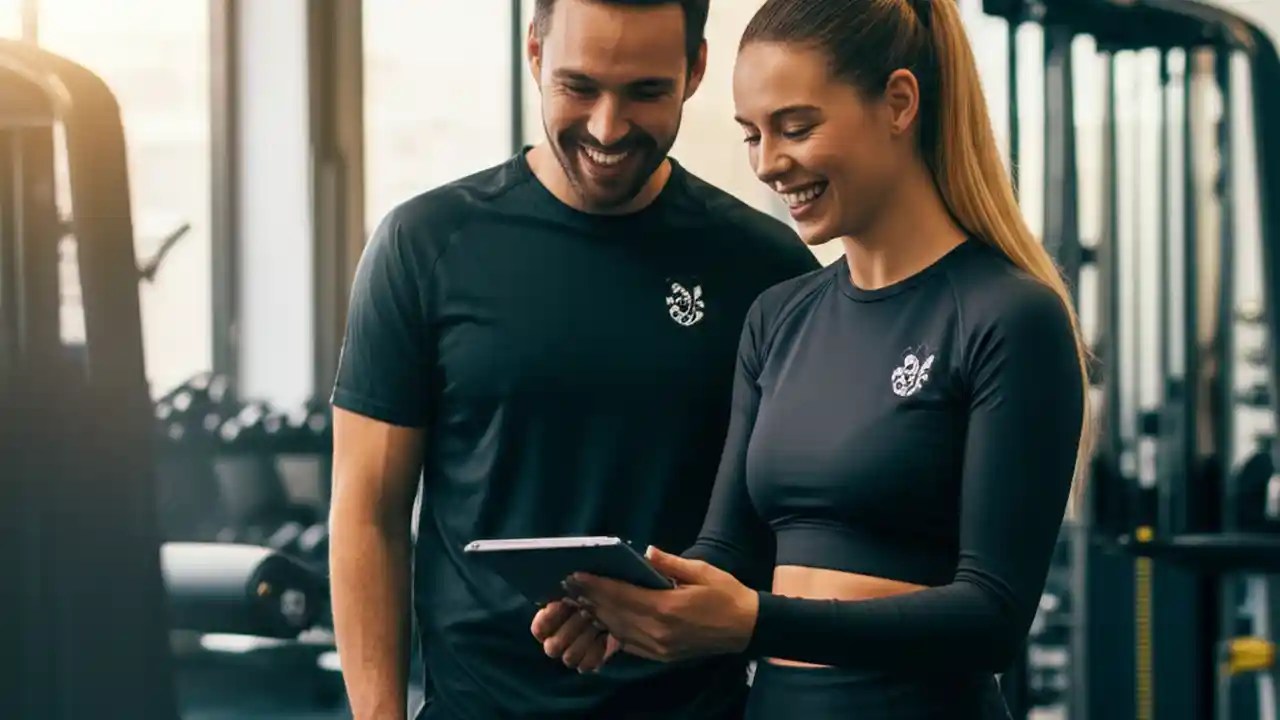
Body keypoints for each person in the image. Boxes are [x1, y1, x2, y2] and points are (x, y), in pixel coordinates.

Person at [532, 0, 1092, 717]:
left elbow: (991, 620)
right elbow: (726, 551)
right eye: (752, 136)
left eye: (796, 128)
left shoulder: (1007, 316)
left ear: (898, 103)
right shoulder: (778, 318)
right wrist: (632, 606)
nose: (769, 164)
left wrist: (756, 621)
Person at [327, 0, 819, 717]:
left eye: (646, 91)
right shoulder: (424, 245)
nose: (607, 127)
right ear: (534, 55)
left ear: (695, 70)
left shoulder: (766, 270)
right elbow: (368, 514)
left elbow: (792, 528)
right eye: (578, 86)